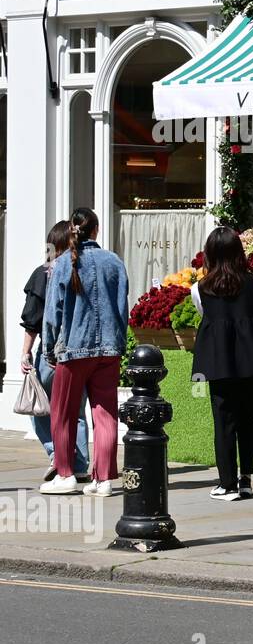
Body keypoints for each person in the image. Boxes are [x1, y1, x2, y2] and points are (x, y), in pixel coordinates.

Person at [41, 208, 129, 496]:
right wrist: (119, 342)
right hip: (108, 349)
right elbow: (122, 308)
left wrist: (49, 350)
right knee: (105, 412)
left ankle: (66, 473)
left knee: (63, 412)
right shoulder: (113, 262)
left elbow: (52, 313)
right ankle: (103, 479)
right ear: (96, 230)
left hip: (73, 349)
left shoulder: (63, 264)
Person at [190, 226, 253, 501]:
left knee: (223, 419)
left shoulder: (199, 288)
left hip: (217, 359)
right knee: (248, 418)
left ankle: (226, 482)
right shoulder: (252, 283)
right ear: (238, 252)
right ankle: (246, 479)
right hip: (251, 358)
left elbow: (205, 314)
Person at [22, 221, 90, 484]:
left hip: (51, 352)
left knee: (42, 409)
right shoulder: (84, 271)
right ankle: (80, 464)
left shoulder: (44, 273)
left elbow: (33, 319)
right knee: (77, 409)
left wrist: (25, 353)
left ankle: (57, 455)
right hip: (83, 351)